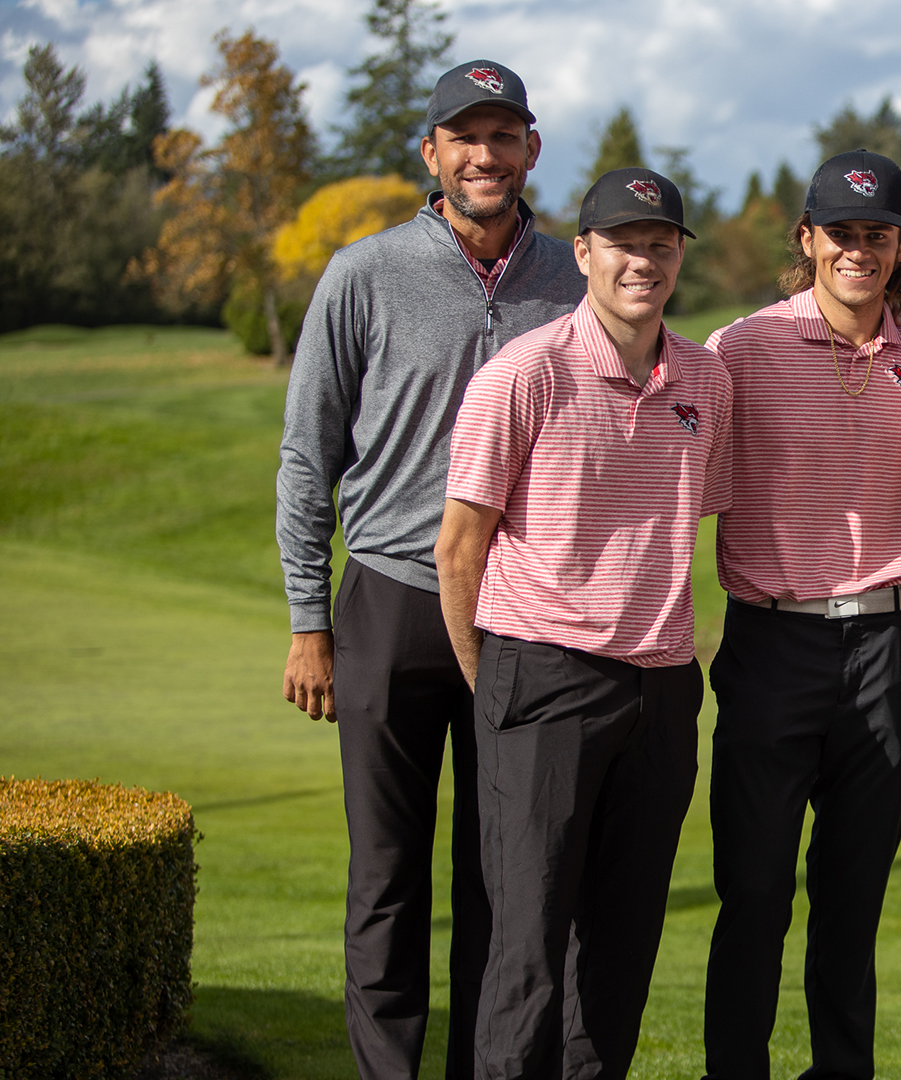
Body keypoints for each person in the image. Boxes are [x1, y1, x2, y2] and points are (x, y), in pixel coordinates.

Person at [275, 59, 583, 1080]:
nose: (484, 155)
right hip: (392, 601)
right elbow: (309, 457)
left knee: (508, 878)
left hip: (521, 612)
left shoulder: (575, 282)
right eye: (465, 137)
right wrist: (309, 620)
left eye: (503, 136)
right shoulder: (364, 275)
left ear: (530, 149)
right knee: (388, 876)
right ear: (431, 152)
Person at [434, 166, 731, 1080]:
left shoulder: (707, 379)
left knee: (622, 945)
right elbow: (459, 548)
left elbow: (693, 515)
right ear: (583, 253)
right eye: (622, 243)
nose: (642, 260)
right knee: (526, 946)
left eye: (659, 243)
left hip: (662, 688)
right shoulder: (524, 374)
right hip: (543, 673)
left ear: (678, 254)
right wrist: (499, 684)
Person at [699, 149, 901, 1080]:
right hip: (773, 641)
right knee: (756, 892)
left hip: (889, 644)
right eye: (840, 232)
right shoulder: (739, 350)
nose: (859, 250)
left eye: (877, 234)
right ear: (807, 240)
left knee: (853, 899)